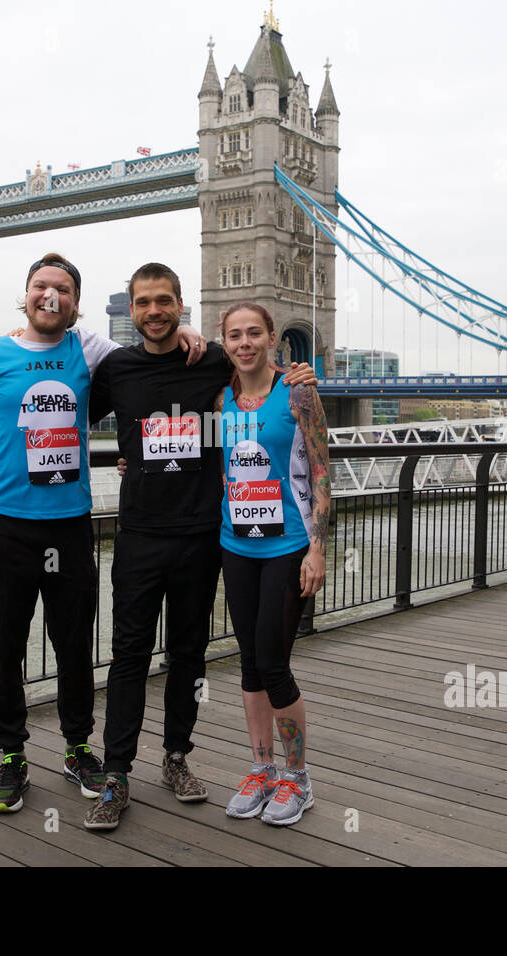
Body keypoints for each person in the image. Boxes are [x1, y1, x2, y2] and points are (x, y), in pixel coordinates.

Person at [0, 252, 206, 813]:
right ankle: (12, 756)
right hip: (4, 524)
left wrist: (187, 326)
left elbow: (152, 353)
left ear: (75, 302)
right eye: (41, 287)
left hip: (68, 525)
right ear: (25, 294)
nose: (51, 297)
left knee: (73, 645)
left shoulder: (90, 351)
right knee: (3, 647)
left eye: (63, 290)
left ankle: (76, 747)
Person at [82, 265, 317, 831]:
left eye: (165, 301)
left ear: (181, 306)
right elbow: (67, 420)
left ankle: (177, 759)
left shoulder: (211, 358)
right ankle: (116, 775)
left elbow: (258, 368)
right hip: (139, 534)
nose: (154, 311)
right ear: (132, 310)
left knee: (189, 656)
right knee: (129, 657)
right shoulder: (115, 368)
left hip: (203, 536)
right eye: (144, 302)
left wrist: (299, 372)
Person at [216, 301, 330, 826]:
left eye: (254, 333)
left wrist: (318, 548)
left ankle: (297, 777)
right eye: (234, 335)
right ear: (225, 344)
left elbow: (322, 473)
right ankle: (261, 768)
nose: (245, 343)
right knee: (249, 663)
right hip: (236, 546)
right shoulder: (220, 397)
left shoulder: (299, 391)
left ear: (271, 339)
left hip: (286, 545)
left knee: (275, 665)